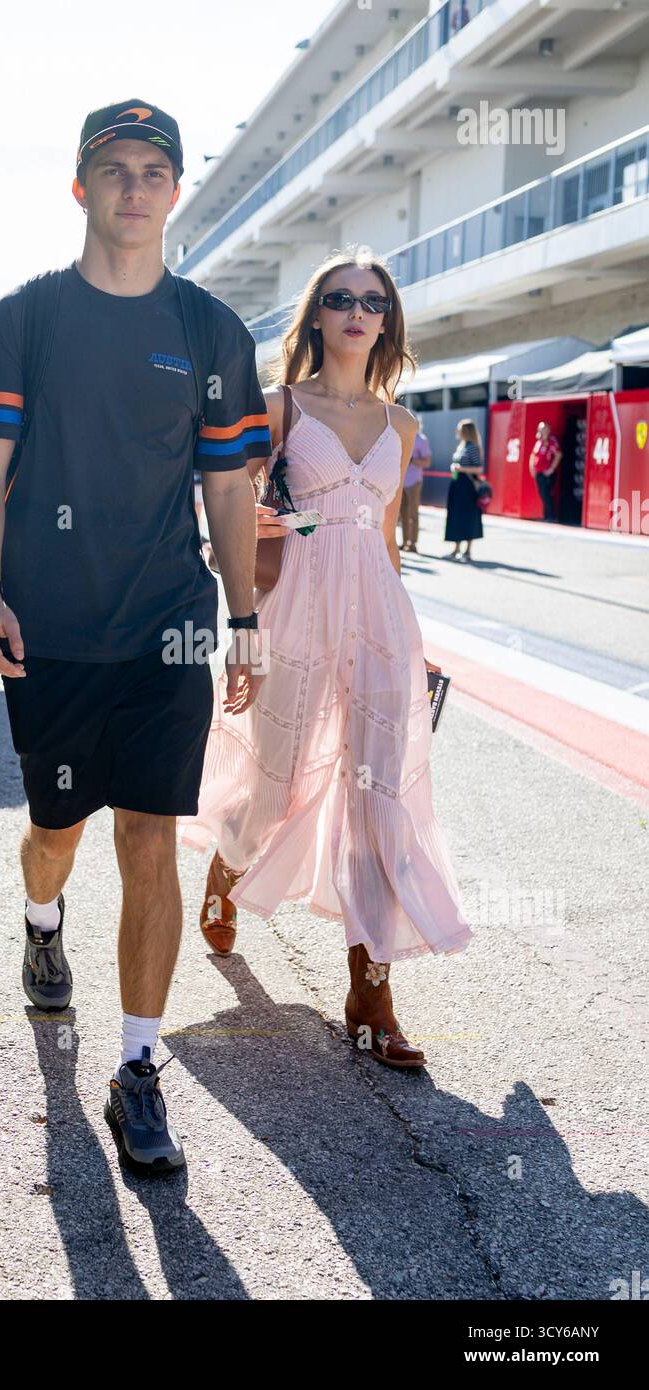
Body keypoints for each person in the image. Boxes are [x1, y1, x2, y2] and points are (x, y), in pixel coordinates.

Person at [0, 100, 270, 1175]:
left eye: (153, 171)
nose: (134, 188)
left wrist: (242, 616)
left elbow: (229, 484)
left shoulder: (211, 331)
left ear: (174, 191)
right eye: (114, 170)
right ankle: (42, 918)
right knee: (58, 828)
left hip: (165, 625)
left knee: (147, 837)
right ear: (80, 189)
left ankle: (138, 1070)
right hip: (50, 623)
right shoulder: (22, 319)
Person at [179, 249, 472, 1071]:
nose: (355, 310)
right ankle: (227, 867)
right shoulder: (278, 410)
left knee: (380, 799)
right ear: (316, 315)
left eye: (370, 301)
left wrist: (410, 645)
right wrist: (244, 615)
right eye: (339, 297)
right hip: (294, 614)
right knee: (273, 783)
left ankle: (371, 992)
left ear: (387, 320)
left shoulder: (403, 426)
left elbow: (384, 542)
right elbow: (227, 516)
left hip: (378, 620)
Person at [444, 418, 484, 561]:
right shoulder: (462, 446)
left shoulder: (473, 447)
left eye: (459, 429)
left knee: (468, 517)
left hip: (467, 487)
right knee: (456, 516)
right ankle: (456, 549)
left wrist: (460, 468)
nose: (457, 432)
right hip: (457, 485)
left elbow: (479, 468)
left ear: (465, 431)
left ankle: (467, 551)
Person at [399, 416, 430, 552]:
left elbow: (427, 462)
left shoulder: (421, 440)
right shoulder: (401, 437)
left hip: (414, 482)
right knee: (402, 514)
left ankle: (413, 543)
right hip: (401, 481)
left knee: (413, 514)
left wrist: (412, 460)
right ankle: (404, 541)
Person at [528, 421, 562, 523]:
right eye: (542, 429)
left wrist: (551, 469)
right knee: (542, 494)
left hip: (546, 473)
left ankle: (551, 517)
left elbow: (558, 454)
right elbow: (533, 455)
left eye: (546, 429)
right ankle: (546, 515)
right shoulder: (539, 442)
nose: (544, 431)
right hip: (538, 472)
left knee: (547, 494)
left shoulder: (552, 442)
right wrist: (532, 468)